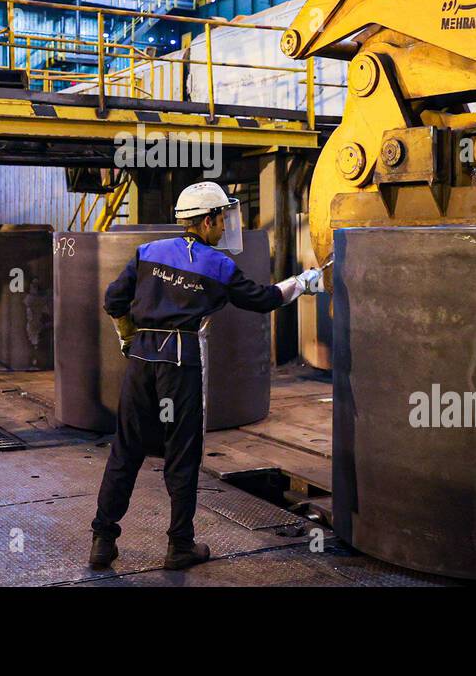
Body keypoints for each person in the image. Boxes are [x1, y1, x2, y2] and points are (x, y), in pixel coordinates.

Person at [89, 181, 325, 571]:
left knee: (125, 450)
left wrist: (128, 334)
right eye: (222, 218)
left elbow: (113, 299)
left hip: (141, 360)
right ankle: (180, 545)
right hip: (180, 365)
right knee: (182, 456)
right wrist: (303, 283)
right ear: (208, 219)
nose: (224, 226)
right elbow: (264, 300)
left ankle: (102, 540)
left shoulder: (146, 252)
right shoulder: (218, 266)